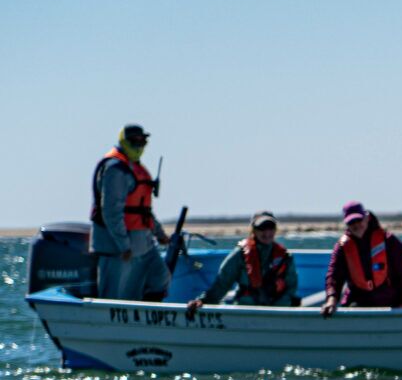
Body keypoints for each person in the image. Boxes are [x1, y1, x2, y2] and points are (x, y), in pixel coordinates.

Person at [90, 123, 171, 300]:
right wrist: (123, 245)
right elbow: (111, 212)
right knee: (114, 294)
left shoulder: (134, 168)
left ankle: (145, 313)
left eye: (143, 141)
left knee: (160, 278)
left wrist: (159, 233)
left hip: (143, 243)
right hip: (119, 247)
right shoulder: (115, 169)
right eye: (135, 141)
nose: (139, 145)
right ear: (125, 141)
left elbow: (143, 210)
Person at [186, 211, 300, 314]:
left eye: (271, 227)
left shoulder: (285, 256)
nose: (267, 232)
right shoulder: (240, 254)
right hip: (246, 311)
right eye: (262, 228)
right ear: (253, 230)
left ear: (275, 230)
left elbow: (291, 288)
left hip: (277, 312)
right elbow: (222, 284)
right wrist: (202, 301)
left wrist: (277, 310)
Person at [321, 201, 402, 316]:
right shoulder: (342, 246)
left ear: (366, 218)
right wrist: (331, 299)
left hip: (389, 304)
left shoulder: (389, 241)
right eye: (351, 222)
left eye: (359, 220)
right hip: (356, 304)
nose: (356, 225)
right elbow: (334, 275)